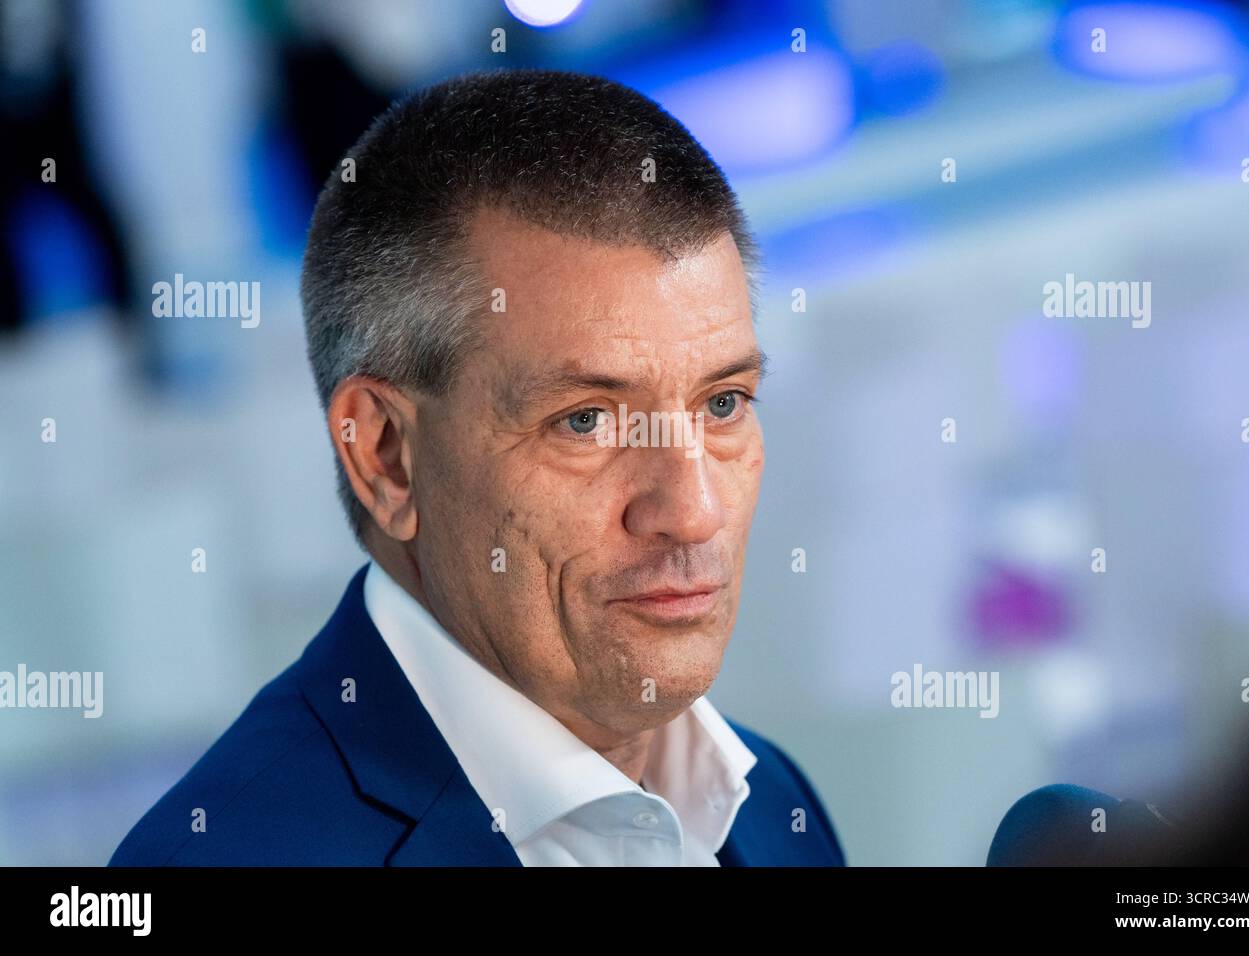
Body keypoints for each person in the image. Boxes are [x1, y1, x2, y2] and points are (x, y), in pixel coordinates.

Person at [109, 69, 846, 867]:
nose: (694, 509)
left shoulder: (772, 804)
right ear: (387, 457)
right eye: (587, 421)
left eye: (724, 404)